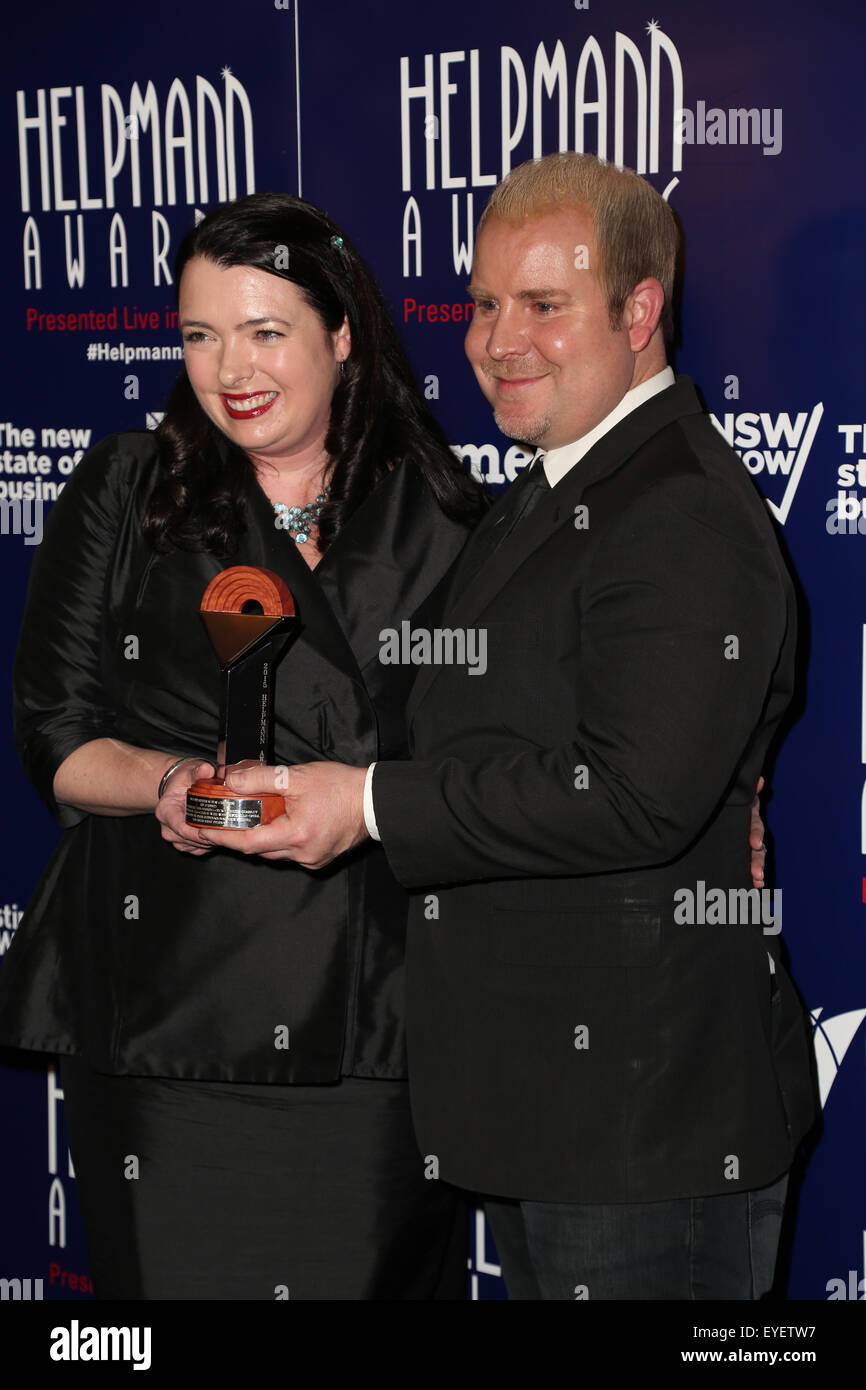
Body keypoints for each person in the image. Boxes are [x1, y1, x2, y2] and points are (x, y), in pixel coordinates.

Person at [203, 154, 818, 1300]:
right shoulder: (553, 486)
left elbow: (631, 793)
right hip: (555, 1117)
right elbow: (477, 716)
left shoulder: (673, 508)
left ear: (639, 312)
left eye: (544, 306)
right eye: (485, 304)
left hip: (644, 1132)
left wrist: (369, 802)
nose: (496, 341)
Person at [0, 192, 485, 1299]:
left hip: (367, 1035)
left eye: (265, 331)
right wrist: (168, 781)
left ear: (342, 334)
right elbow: (57, 735)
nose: (230, 368)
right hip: (164, 1033)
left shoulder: (444, 517)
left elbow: (490, 760)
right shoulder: (130, 486)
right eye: (201, 334)